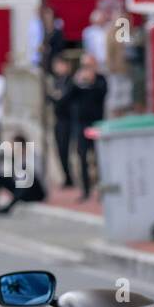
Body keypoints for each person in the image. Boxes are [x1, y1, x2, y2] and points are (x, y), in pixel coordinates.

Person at [66, 55, 107, 200]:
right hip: (81, 124)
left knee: (100, 158)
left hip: (97, 123)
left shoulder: (101, 79)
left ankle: (103, 190)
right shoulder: (76, 81)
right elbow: (68, 98)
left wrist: (92, 82)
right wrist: (77, 83)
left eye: (89, 66)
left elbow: (102, 94)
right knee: (82, 157)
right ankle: (85, 190)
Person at [46, 55, 75, 189]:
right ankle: (67, 177)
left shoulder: (70, 81)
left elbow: (62, 98)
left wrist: (56, 96)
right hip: (59, 119)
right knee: (60, 151)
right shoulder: (58, 81)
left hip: (69, 120)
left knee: (67, 149)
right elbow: (54, 97)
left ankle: (71, 178)